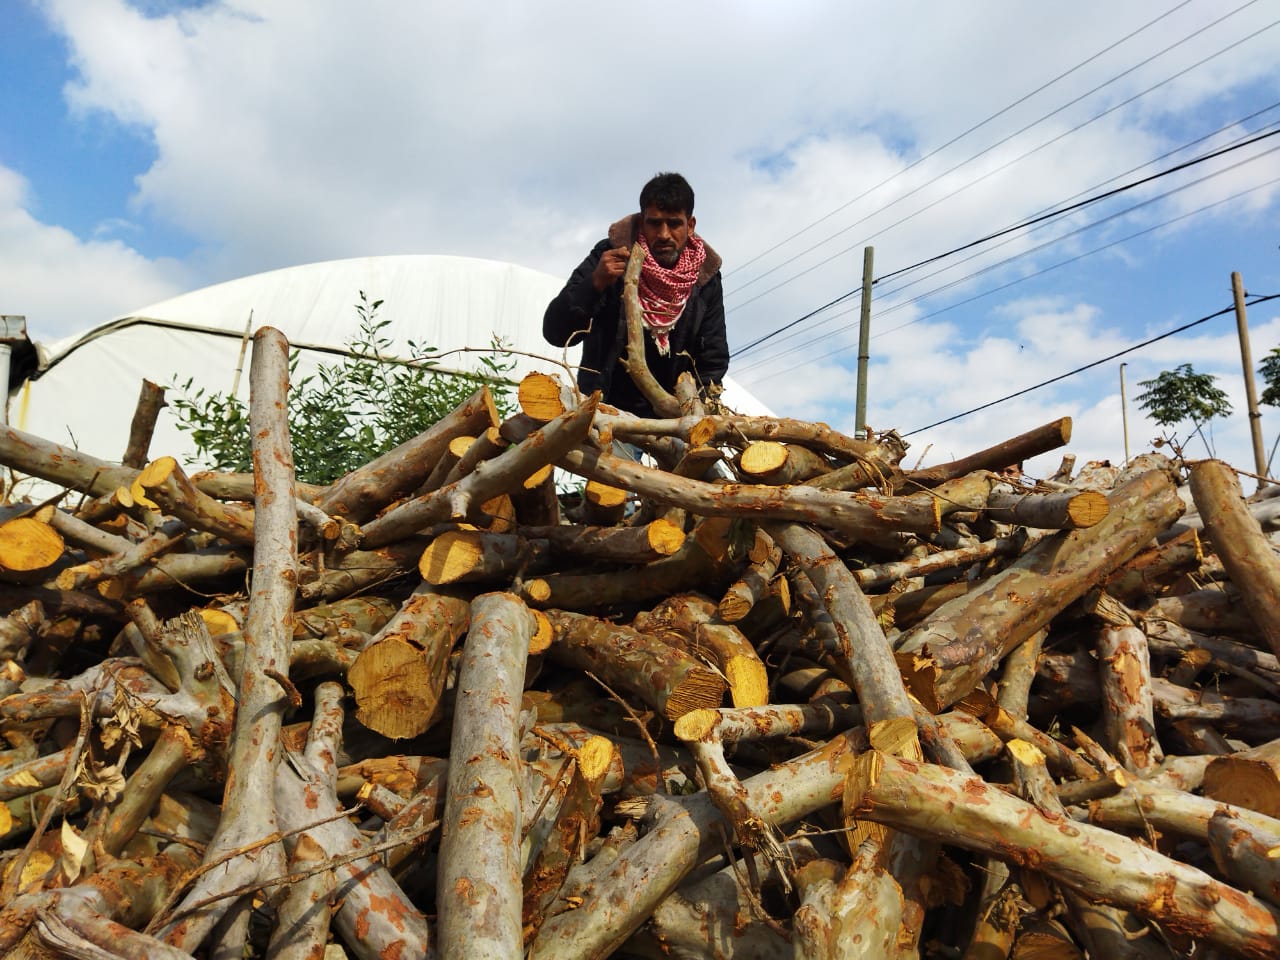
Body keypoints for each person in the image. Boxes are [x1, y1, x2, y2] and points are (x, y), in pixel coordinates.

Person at [543, 172, 727, 417]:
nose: (664, 234)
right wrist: (595, 283)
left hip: (672, 422)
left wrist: (693, 414)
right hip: (605, 415)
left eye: (674, 223)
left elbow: (713, 360)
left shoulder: (705, 279)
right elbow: (555, 332)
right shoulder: (610, 257)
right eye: (654, 223)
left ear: (690, 225)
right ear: (641, 223)